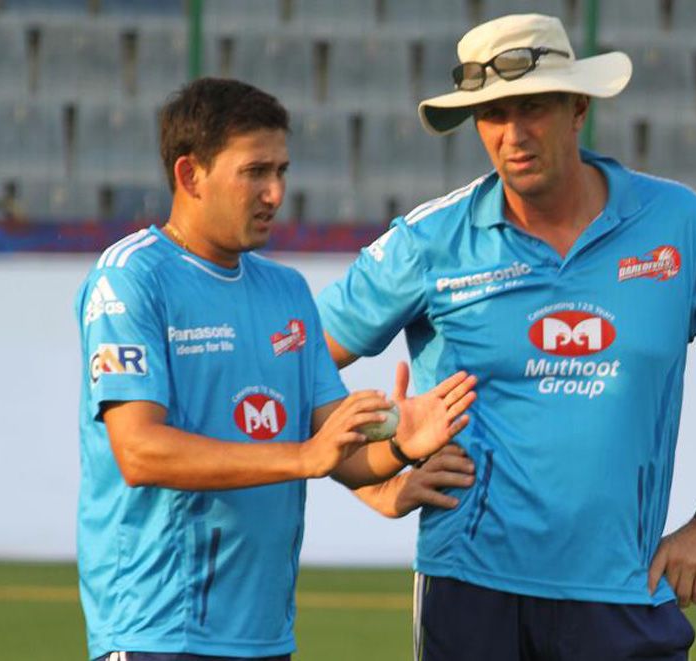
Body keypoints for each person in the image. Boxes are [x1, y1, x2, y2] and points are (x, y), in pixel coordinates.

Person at [316, 14, 696, 661]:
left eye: (532, 108)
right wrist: (378, 472)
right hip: (470, 589)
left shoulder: (677, 223)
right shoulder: (430, 242)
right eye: (491, 114)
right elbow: (292, 365)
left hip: (626, 590)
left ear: (578, 107)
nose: (512, 134)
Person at [74, 77, 476, 661]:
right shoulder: (130, 280)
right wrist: (302, 457)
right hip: (155, 630)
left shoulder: (286, 290)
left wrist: (400, 439)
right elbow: (139, 452)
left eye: (282, 172)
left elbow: (340, 449)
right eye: (255, 172)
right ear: (190, 176)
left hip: (264, 635)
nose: (275, 193)